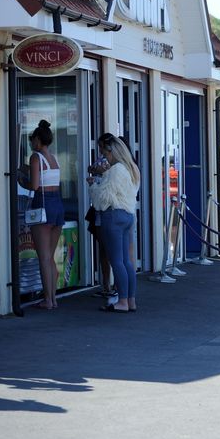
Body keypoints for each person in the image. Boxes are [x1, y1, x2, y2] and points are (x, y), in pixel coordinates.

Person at [89, 135, 140, 312]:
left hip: (113, 216)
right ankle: (131, 301)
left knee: (116, 261)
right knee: (126, 262)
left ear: (113, 152)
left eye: (106, 154)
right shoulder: (131, 168)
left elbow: (102, 199)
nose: (105, 157)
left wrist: (93, 186)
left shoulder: (116, 170)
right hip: (127, 215)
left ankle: (122, 301)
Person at [27, 120, 65, 310]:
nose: (30, 143)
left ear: (38, 140)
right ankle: (54, 299)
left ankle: (47, 300)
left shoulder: (36, 157)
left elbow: (34, 186)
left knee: (43, 257)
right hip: (57, 205)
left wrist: (21, 178)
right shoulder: (54, 158)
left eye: (32, 139)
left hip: (43, 206)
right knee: (50, 257)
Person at [87, 133, 115, 298]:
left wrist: (95, 169)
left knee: (112, 249)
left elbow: (103, 170)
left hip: (107, 207)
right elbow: (92, 168)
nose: (100, 149)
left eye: (101, 146)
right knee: (103, 248)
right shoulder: (101, 158)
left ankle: (115, 286)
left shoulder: (114, 161)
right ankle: (106, 284)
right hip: (98, 206)